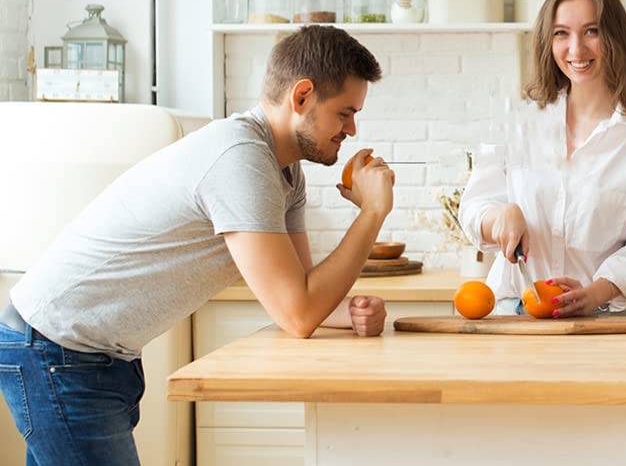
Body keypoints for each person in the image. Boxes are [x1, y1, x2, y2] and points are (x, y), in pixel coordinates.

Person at [0, 25, 395, 465]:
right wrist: (372, 212)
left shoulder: (284, 173)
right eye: (344, 113)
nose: (353, 130)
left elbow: (297, 291)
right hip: (57, 349)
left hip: (87, 354)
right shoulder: (239, 158)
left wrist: (351, 314)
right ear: (301, 97)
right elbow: (298, 313)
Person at [458, 0, 626, 318]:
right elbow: (473, 208)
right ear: (549, 40)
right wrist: (501, 215)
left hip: (606, 318)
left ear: (615, 38)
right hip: (515, 311)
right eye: (562, 33)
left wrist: (596, 293)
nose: (576, 50)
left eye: (592, 31)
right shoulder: (520, 118)